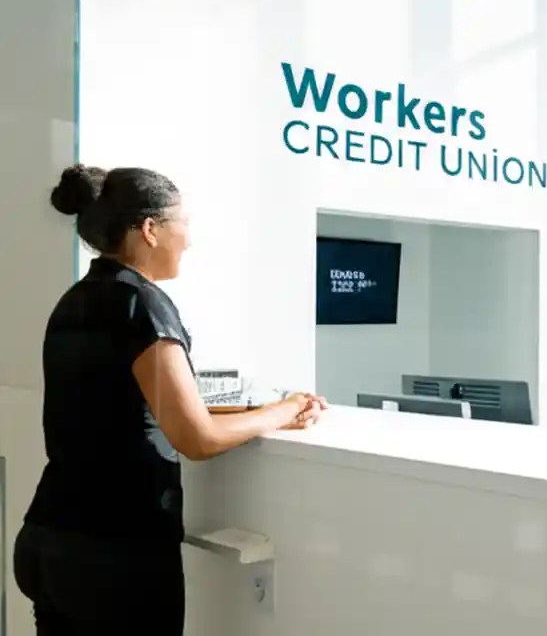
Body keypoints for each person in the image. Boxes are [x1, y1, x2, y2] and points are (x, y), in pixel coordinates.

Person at [13, 164, 328, 635]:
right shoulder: (142, 303)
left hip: (50, 541)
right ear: (150, 230)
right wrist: (283, 411)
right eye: (184, 226)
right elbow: (195, 438)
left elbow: (116, 403)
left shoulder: (74, 299)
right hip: (114, 561)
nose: (190, 241)